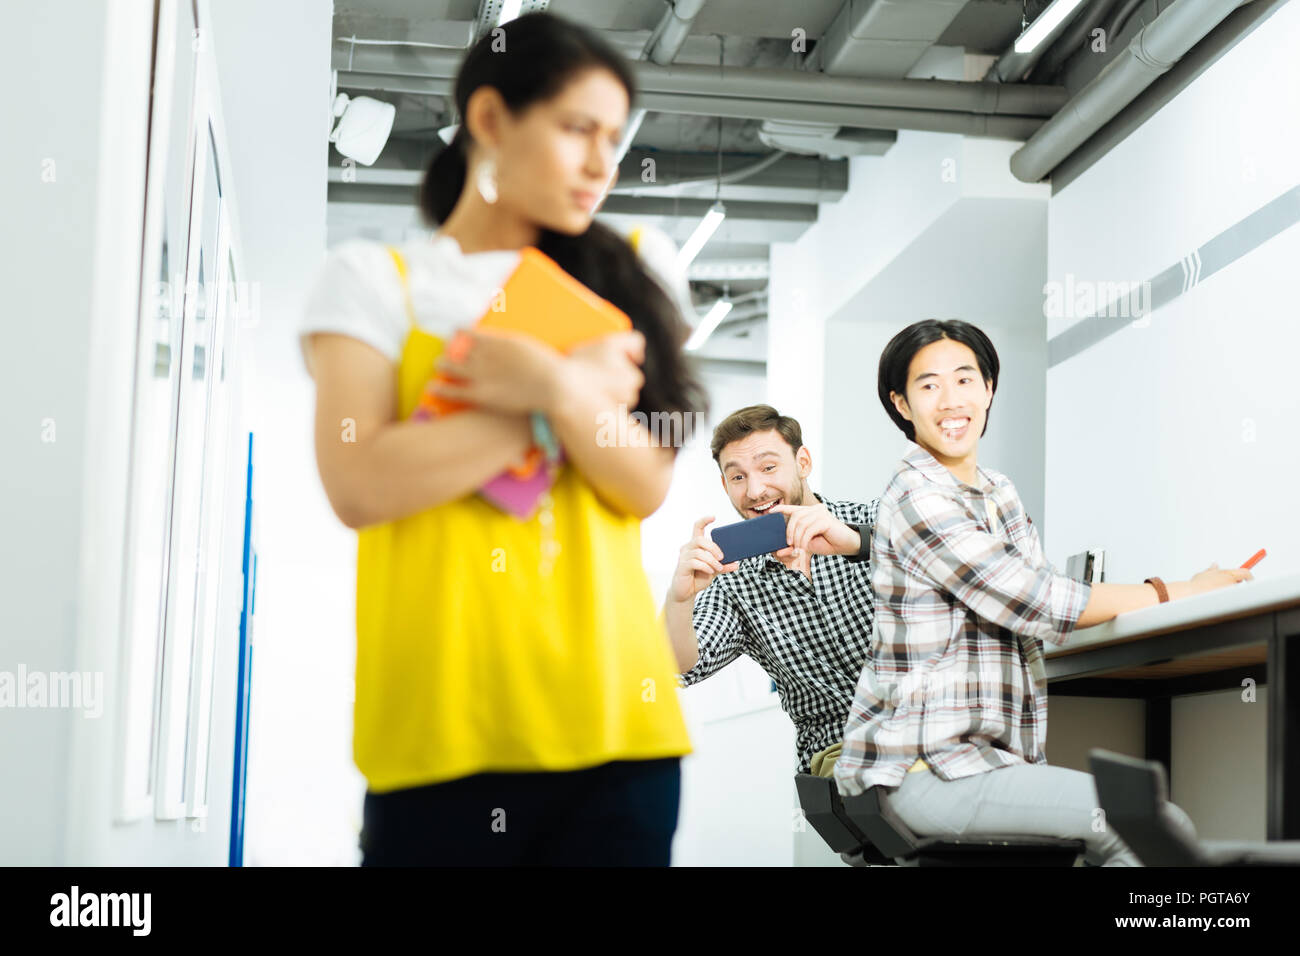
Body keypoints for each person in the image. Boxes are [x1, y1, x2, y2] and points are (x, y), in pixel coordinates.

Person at [300, 11, 708, 866]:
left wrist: (555, 384)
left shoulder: (637, 262)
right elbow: (362, 485)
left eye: (613, 136)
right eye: (575, 130)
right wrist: (553, 403)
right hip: (441, 732)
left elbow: (641, 485)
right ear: (490, 121)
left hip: (619, 733)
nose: (603, 162)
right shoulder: (378, 281)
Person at [833, 319, 1252, 865]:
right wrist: (1178, 590)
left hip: (981, 760)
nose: (950, 399)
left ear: (989, 389)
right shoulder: (917, 495)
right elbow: (1040, 601)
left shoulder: (996, 491)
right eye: (928, 385)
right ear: (902, 404)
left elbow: (1037, 596)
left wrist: (1156, 593)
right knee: (1150, 823)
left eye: (964, 380)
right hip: (924, 769)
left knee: (1125, 828)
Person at [662, 404, 879, 778]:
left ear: (803, 462)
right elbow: (677, 666)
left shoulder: (874, 522)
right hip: (838, 756)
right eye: (738, 477)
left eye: (768, 467)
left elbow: (953, 568)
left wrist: (857, 543)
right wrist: (679, 600)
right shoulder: (731, 580)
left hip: (927, 735)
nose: (756, 490)